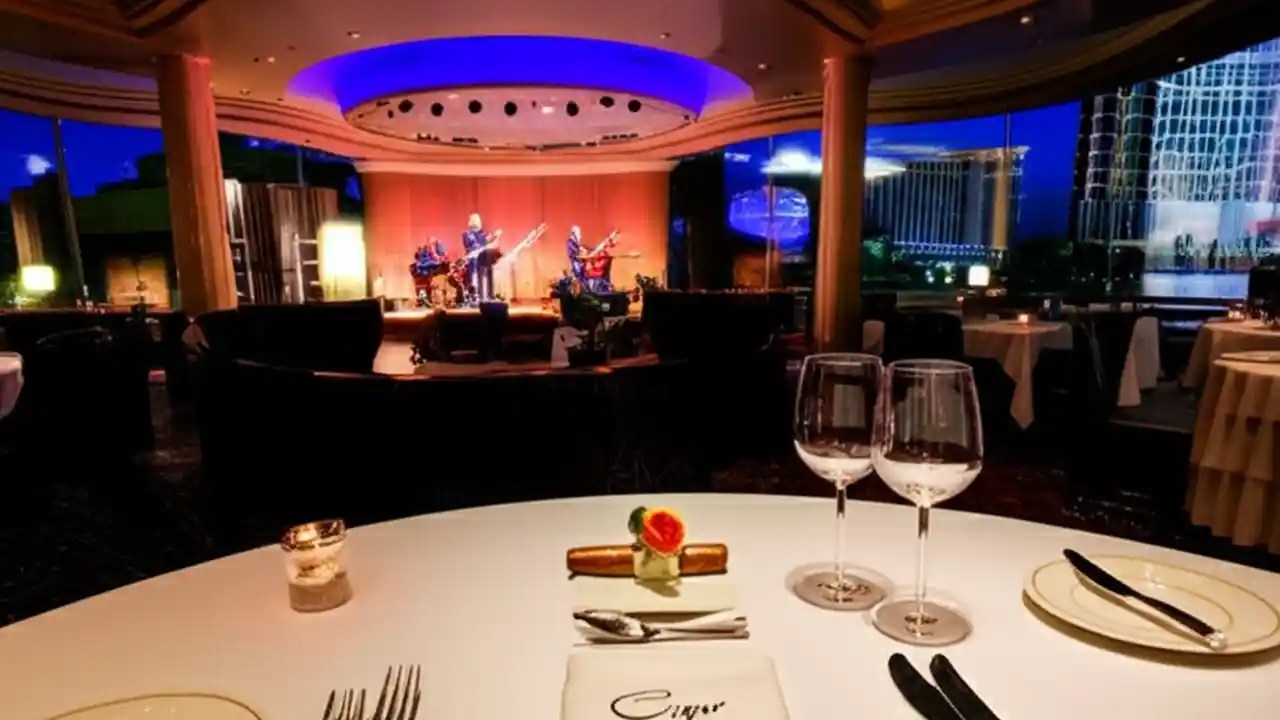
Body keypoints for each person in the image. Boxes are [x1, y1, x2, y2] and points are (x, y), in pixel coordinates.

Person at [462, 213, 494, 303]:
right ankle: (474, 294)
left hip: (482, 259)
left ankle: (485, 294)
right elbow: (469, 246)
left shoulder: (483, 234)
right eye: (473, 220)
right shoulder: (466, 234)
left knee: (484, 274)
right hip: (472, 259)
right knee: (473, 276)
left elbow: (484, 244)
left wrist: (492, 238)